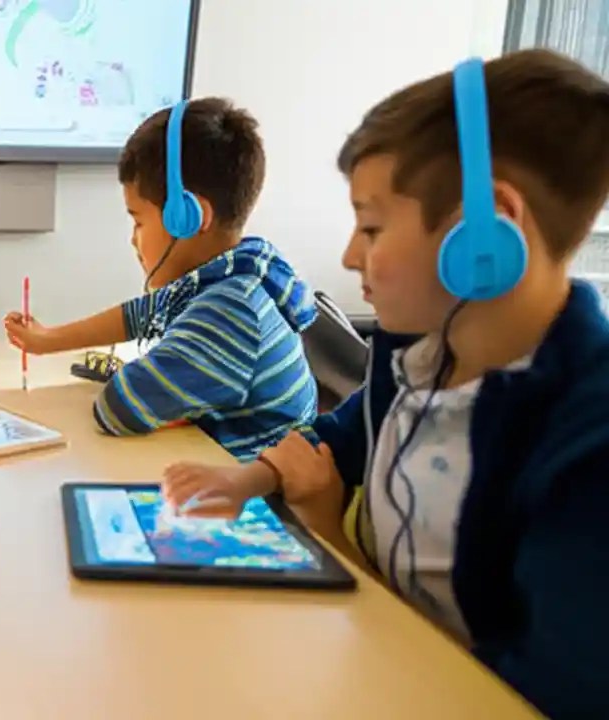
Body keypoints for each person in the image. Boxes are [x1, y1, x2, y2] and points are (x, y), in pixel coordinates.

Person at [161, 50, 609, 719]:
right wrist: (246, 479)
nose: (347, 255)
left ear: (484, 236)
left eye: (370, 225)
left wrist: (335, 549)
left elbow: (544, 693)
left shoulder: (587, 441)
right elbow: (351, 433)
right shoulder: (422, 349)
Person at [4, 98, 318, 461]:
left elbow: (118, 410)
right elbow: (142, 314)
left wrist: (151, 380)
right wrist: (48, 340)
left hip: (266, 502)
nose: (132, 239)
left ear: (187, 217)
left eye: (138, 221)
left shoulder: (231, 310)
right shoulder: (239, 268)